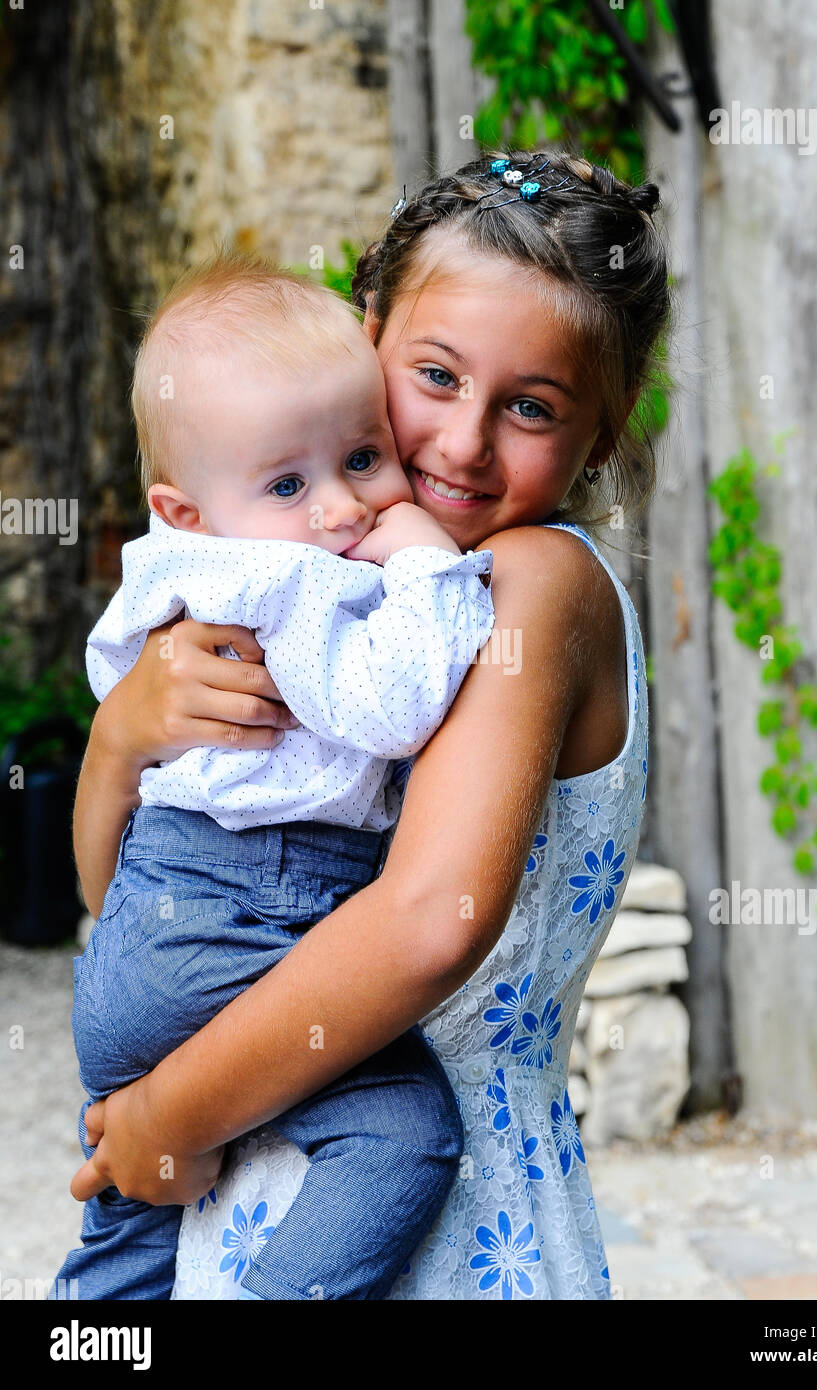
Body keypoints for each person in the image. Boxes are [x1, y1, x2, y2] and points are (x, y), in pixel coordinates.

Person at [67, 150, 668, 1299]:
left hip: (448, 1224)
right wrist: (120, 736)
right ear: (366, 331)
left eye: (531, 408)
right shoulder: (319, 584)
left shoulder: (526, 586)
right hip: (252, 1185)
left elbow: (430, 916)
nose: (459, 443)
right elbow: (116, 901)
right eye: (433, 376)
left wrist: (158, 1114)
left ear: (602, 431)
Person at [53, 254, 498, 1301]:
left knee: (131, 1228)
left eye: (360, 456)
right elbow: (390, 706)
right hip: (249, 916)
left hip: (149, 945)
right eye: (289, 483)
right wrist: (430, 562)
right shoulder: (282, 583)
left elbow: (110, 839)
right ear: (186, 510)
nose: (343, 509)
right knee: (406, 1132)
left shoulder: (185, 570)